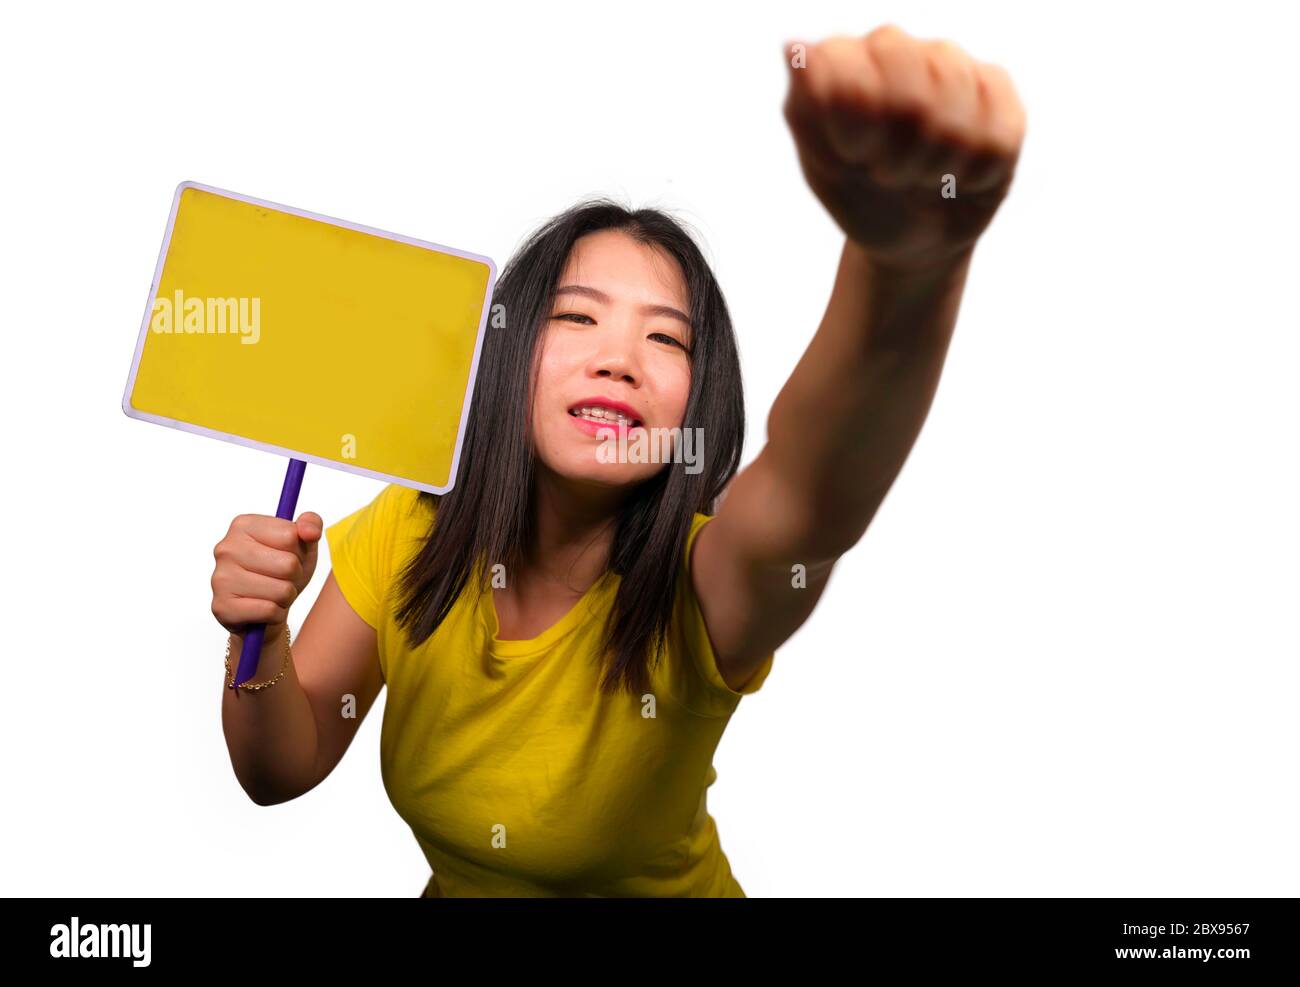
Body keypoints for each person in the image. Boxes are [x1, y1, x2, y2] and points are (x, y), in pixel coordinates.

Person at [210, 24, 1026, 897]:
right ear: (507, 352)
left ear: (697, 401)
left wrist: (907, 266)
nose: (619, 358)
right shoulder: (409, 528)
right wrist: (260, 632)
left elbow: (813, 486)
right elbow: (281, 771)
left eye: (666, 338)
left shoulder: (708, 584)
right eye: (576, 317)